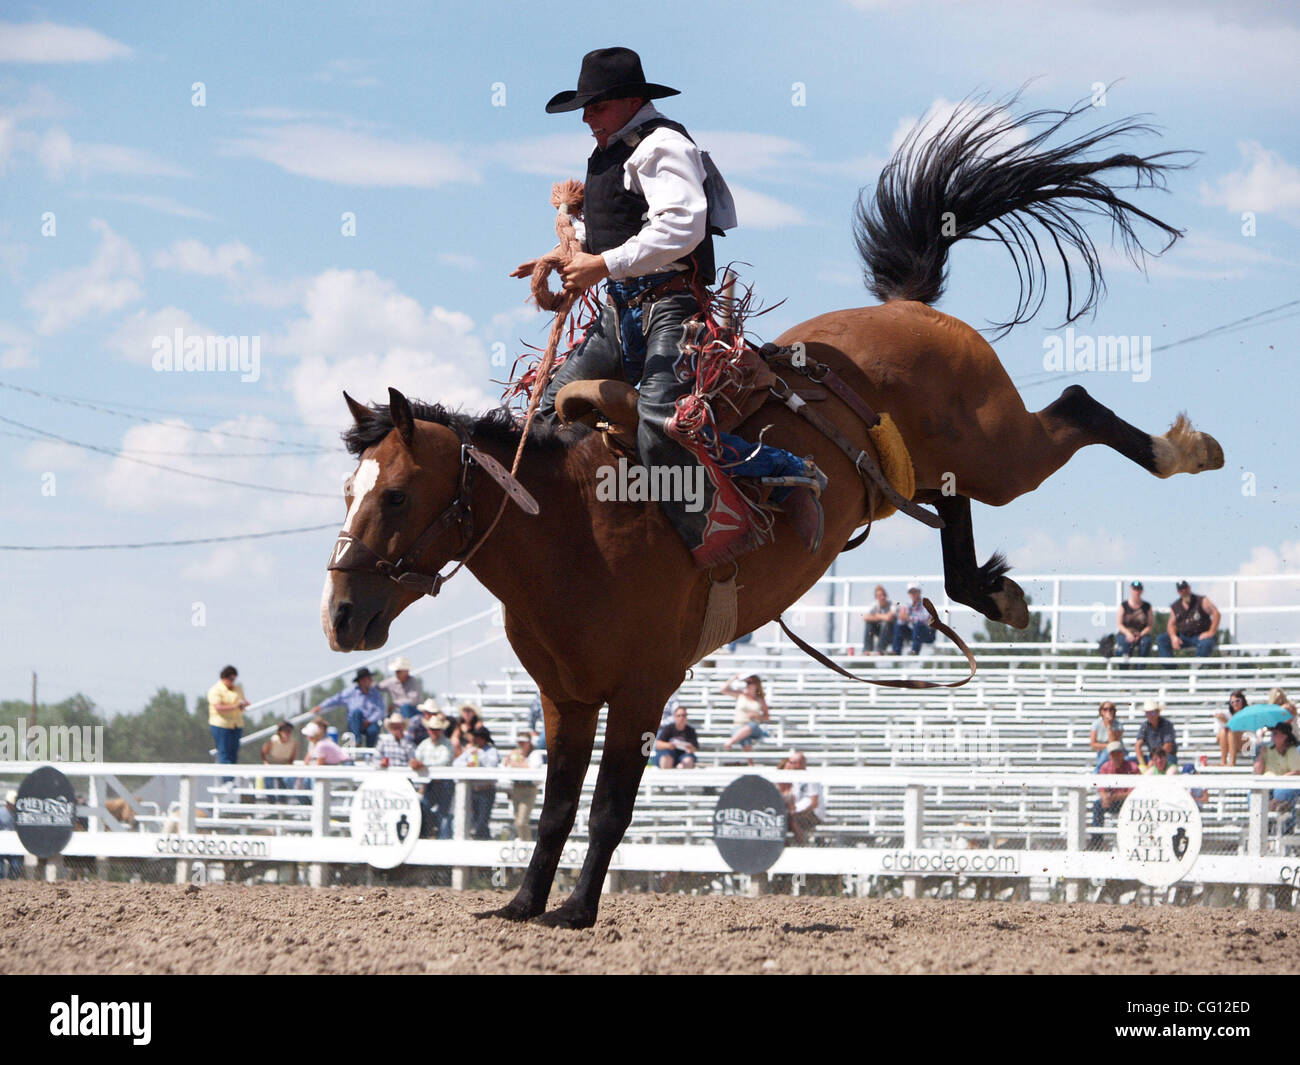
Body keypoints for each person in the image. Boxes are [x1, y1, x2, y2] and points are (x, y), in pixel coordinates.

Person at [521, 47, 828, 565]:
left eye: (595, 106)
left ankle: (750, 503)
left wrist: (602, 265)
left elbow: (681, 227)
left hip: (672, 308)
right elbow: (621, 232)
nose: (586, 118)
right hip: (622, 313)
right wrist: (568, 250)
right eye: (585, 109)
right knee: (540, 413)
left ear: (631, 101)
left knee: (663, 429)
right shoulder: (615, 150)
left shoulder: (661, 145)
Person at [313, 668, 385, 747]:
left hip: (370, 723)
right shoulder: (351, 692)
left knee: (373, 730)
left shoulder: (375, 693)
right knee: (356, 713)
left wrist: (369, 721)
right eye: (368, 678)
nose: (371, 680)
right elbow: (336, 699)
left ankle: (370, 751)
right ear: (361, 681)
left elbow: (380, 709)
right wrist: (321, 706)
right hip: (355, 723)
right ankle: (357, 742)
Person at [412, 710, 454, 839]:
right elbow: (417, 757)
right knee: (424, 808)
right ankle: (429, 833)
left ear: (441, 730)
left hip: (444, 783)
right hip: (430, 784)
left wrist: (424, 764)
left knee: (444, 813)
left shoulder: (447, 744)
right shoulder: (424, 744)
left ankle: (443, 838)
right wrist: (418, 763)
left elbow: (445, 761)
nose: (433, 732)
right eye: (431, 729)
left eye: (436, 729)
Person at [453, 726, 500, 840]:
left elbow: (492, 764)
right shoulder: (470, 751)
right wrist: (466, 765)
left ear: (484, 739)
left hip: (486, 790)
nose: (476, 740)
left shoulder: (491, 751)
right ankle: (484, 839)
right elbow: (456, 763)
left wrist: (479, 754)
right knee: (476, 819)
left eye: (478, 738)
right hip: (474, 790)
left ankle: (481, 838)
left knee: (482, 819)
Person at [1156, 580, 1220, 658]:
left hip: (1201, 636)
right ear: (1178, 592)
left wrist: (1211, 632)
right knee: (1162, 639)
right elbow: (1171, 624)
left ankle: (1195, 667)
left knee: (1207, 643)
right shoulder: (1175, 606)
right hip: (1184, 637)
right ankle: (1172, 668)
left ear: (1189, 588)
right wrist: (1173, 637)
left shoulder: (1201, 600)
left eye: (1185, 588)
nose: (1184, 591)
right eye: (1181, 589)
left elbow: (1216, 613)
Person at [1254, 722, 1300, 827]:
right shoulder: (1268, 750)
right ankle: (1260, 824)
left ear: (1284, 736)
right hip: (1267, 784)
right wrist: (1261, 755)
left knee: (1281, 792)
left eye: (1275, 734)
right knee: (1253, 794)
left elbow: (1297, 771)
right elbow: (1257, 771)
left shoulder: (1292, 751)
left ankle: (1282, 825)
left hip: (1285, 784)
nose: (1272, 736)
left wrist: (1280, 780)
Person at [503, 731, 545, 840]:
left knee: (522, 821)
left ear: (529, 743)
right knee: (518, 820)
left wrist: (517, 764)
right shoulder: (515, 754)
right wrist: (509, 761)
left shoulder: (534, 754)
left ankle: (527, 842)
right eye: (520, 742)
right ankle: (524, 841)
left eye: (524, 742)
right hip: (516, 788)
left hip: (529, 789)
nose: (521, 745)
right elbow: (507, 768)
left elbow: (533, 768)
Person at [207, 665, 249, 772]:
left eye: (234, 679)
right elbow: (219, 707)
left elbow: (243, 704)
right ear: (224, 678)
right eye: (231, 679)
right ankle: (227, 780)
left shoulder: (237, 689)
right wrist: (235, 706)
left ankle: (231, 778)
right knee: (224, 752)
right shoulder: (215, 690)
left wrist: (244, 705)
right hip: (221, 725)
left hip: (236, 725)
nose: (232, 681)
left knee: (233, 753)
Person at [778, 750, 824, 844]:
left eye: (790, 762)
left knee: (792, 819)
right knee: (780, 820)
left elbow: (814, 803)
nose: (788, 764)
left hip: (814, 814)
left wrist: (798, 813)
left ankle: (802, 845)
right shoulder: (794, 779)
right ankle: (784, 847)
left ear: (797, 764)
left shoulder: (811, 778)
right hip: (799, 812)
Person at [1092, 742, 1139, 826]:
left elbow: (1134, 791)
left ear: (1122, 754)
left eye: (1118, 753)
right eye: (1113, 754)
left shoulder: (1132, 767)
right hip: (1111, 800)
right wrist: (1105, 797)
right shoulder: (1105, 767)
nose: (1116, 757)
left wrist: (1115, 797)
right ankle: (1096, 836)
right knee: (1097, 804)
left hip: (1128, 801)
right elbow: (1101, 788)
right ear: (1109, 756)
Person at [722, 673, 770, 751]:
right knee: (745, 739)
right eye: (746, 682)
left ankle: (730, 742)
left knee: (752, 725)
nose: (747, 685)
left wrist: (757, 716)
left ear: (756, 685)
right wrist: (734, 678)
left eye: (750, 683)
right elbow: (723, 690)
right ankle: (750, 762)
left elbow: (767, 717)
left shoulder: (760, 699)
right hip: (738, 726)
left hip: (754, 729)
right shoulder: (741, 695)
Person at [1115, 580, 1153, 667]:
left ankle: (1140, 673)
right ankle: (1123, 675)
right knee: (1123, 647)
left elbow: (1149, 626)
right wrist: (1128, 634)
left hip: (1141, 634)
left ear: (1142, 591)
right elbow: (1119, 624)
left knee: (1145, 644)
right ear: (1131, 590)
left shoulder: (1147, 607)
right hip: (1125, 634)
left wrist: (1140, 635)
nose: (1137, 592)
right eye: (1135, 589)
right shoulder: (1124, 606)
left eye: (1139, 589)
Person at [892, 582, 936, 656]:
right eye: (910, 592)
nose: (912, 594)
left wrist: (908, 617)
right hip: (915, 634)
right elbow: (904, 620)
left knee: (918, 625)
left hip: (928, 634)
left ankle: (914, 651)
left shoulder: (925, 603)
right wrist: (901, 617)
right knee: (899, 625)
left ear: (919, 592)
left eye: (914, 591)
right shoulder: (908, 605)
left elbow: (924, 619)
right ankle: (896, 651)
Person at [259, 721, 299, 802]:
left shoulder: (293, 742)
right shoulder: (273, 740)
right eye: (285, 730)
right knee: (268, 784)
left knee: (284, 784)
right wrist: (266, 763)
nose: (287, 733)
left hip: (284, 765)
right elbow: (264, 752)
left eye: (289, 731)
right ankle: (271, 803)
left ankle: (282, 804)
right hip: (272, 764)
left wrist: (289, 764)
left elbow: (292, 757)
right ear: (280, 731)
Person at [1135, 698, 1178, 764]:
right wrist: (1142, 763)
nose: (1150, 715)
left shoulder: (1167, 725)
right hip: (1152, 756)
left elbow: (1168, 746)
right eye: (1147, 713)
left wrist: (1155, 760)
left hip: (1167, 756)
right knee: (1130, 760)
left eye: (1152, 712)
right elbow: (1138, 745)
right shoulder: (1145, 726)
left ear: (1158, 712)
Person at [1088, 700, 1123, 771]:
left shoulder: (1118, 725)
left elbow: (1114, 744)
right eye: (1105, 709)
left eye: (1111, 709)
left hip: (1116, 751)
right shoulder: (1096, 724)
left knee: (1108, 751)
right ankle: (1098, 770)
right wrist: (1107, 746)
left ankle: (1097, 771)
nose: (1108, 711)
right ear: (1101, 711)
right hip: (1103, 751)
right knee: (1106, 752)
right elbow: (1093, 744)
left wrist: (1109, 726)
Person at [1216, 689, 1248, 767]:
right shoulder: (1228, 714)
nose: (1235, 703)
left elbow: (1246, 732)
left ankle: (1232, 761)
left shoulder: (1247, 713)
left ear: (1242, 701)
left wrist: (1226, 722)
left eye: (1237, 700)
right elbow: (1218, 737)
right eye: (1232, 702)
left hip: (1245, 742)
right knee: (1224, 731)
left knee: (1231, 730)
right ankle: (1223, 761)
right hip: (1229, 741)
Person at [861, 585, 895, 655]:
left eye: (883, 595)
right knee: (869, 623)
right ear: (876, 597)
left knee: (885, 623)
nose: (882, 597)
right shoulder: (874, 605)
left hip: (891, 633)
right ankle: (867, 650)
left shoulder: (892, 604)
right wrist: (881, 617)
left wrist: (876, 615)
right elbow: (865, 617)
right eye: (880, 596)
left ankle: (880, 649)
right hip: (880, 632)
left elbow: (888, 618)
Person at [0, 791, 21, 878]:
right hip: (2, 844)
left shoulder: (19, 814)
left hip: (15, 845)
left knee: (16, 866)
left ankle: (13, 882)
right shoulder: (1, 813)